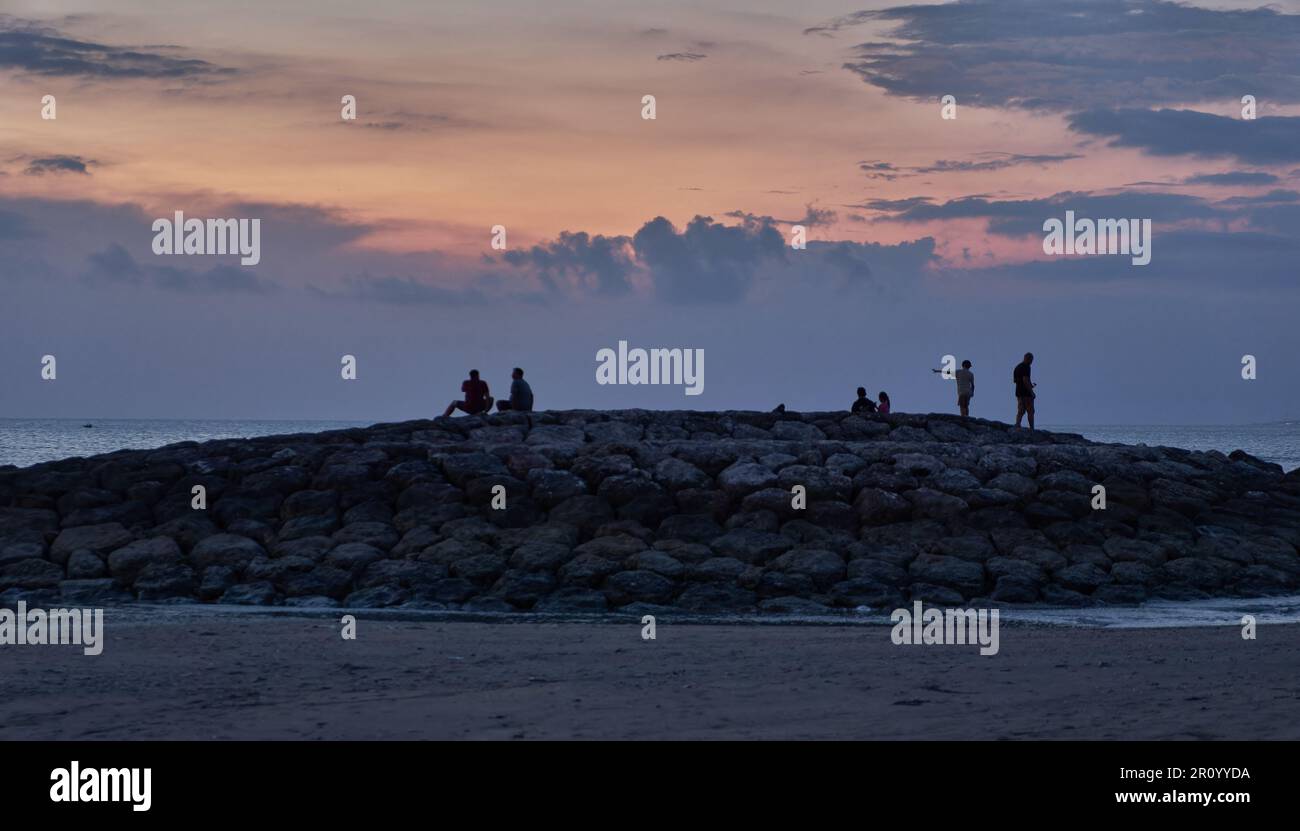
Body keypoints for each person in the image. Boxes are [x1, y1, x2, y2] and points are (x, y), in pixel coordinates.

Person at [1013, 352, 1036, 429]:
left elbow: (1016, 381)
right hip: (1026, 393)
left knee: (1021, 410)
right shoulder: (1026, 367)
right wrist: (1031, 392)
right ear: (1028, 359)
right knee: (1030, 411)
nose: (1032, 362)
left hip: (1019, 392)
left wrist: (1031, 385)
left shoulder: (1017, 367)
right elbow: (1025, 379)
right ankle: (1031, 428)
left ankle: (1017, 424)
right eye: (1031, 360)